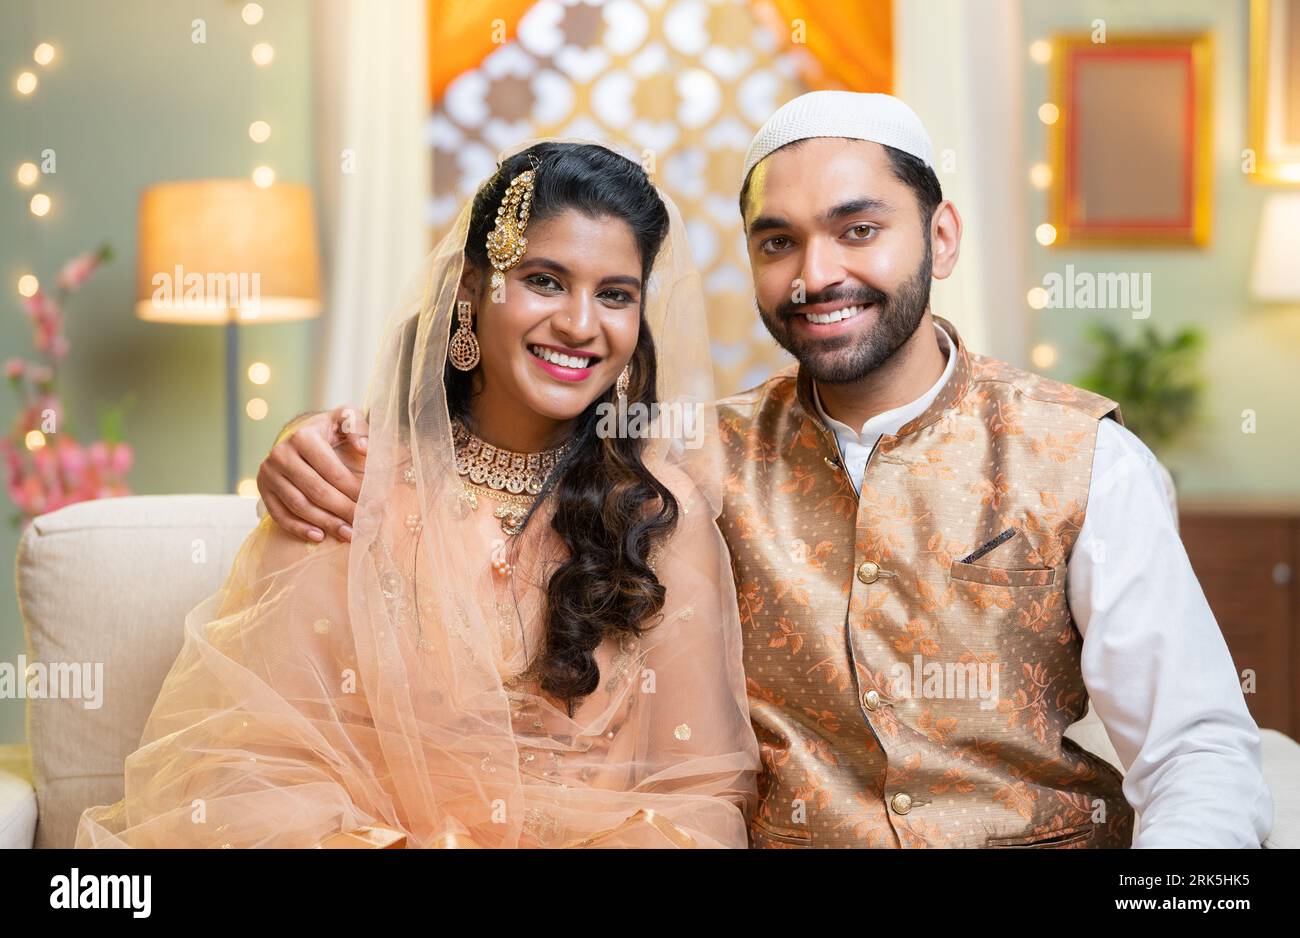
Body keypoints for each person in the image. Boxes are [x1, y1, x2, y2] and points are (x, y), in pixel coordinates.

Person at [257, 93, 1274, 848]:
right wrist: (316, 438)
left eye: (858, 228)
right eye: (777, 242)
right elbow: (498, 459)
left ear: (943, 235)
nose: (817, 272)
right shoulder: (687, 458)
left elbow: (1195, 749)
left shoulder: (1084, 457)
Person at [76, 140, 759, 849]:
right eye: (545, 281)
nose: (581, 325)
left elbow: (696, 796)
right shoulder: (348, 484)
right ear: (470, 288)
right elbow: (253, 774)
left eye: (614, 294)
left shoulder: (656, 512)